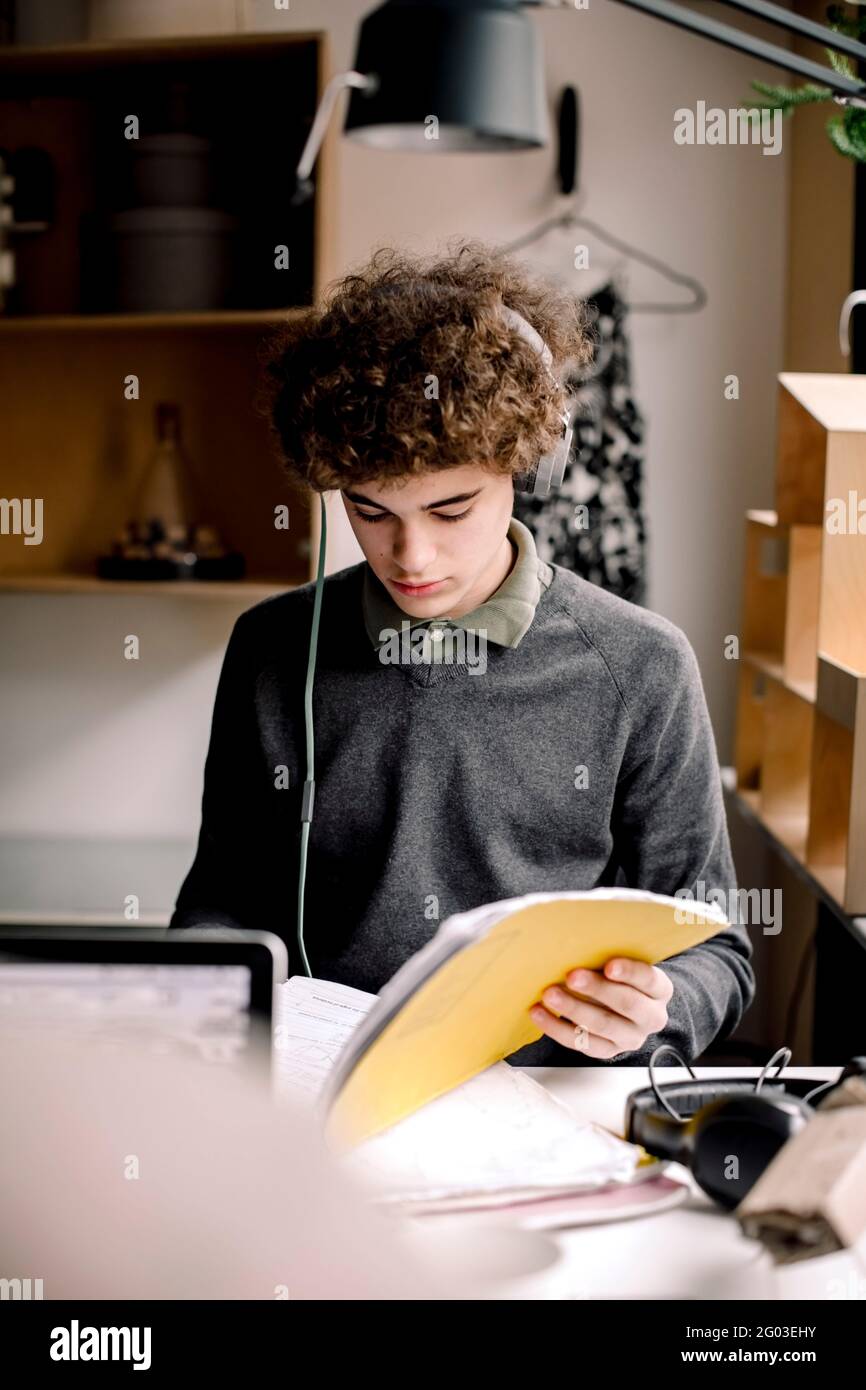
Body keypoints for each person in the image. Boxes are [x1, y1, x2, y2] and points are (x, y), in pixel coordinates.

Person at [169, 240, 755, 1066]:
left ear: (530, 467)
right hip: (325, 1108)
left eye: (452, 510)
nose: (412, 557)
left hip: (553, 1111)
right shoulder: (273, 650)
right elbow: (223, 903)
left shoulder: (643, 667)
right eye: (372, 512)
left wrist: (660, 1007)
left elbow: (716, 952)